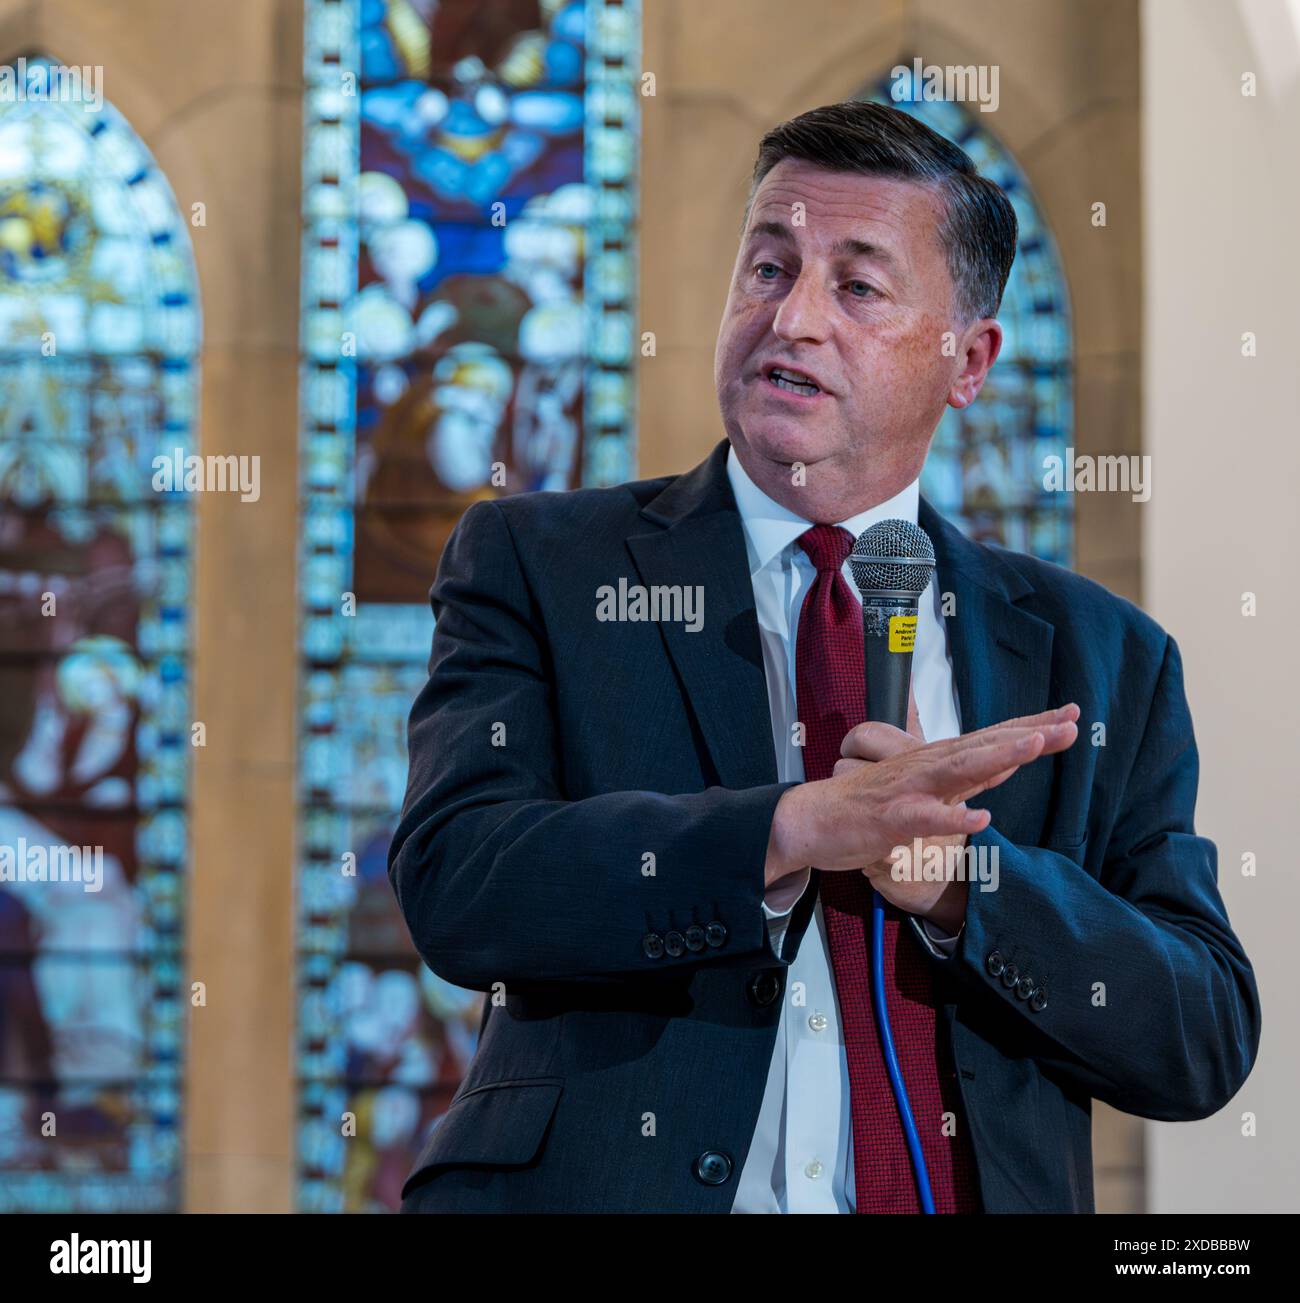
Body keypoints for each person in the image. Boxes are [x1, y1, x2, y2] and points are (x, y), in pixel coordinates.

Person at [389, 101, 1260, 1214]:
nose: (790, 317)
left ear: (968, 360)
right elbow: (460, 878)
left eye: (855, 286)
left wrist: (959, 885)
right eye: (767, 267)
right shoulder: (540, 562)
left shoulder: (1100, 658)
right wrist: (792, 827)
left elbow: (1199, 1034)